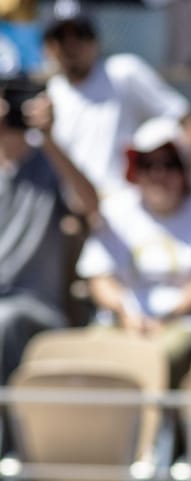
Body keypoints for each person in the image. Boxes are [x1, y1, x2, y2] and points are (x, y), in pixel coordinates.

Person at [75, 116, 191, 387]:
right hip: (118, 320)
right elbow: (98, 277)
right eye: (148, 165)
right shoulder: (116, 210)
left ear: (183, 169)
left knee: (153, 359)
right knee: (86, 361)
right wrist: (126, 313)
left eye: (169, 164)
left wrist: (167, 317)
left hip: (183, 323)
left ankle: (157, 429)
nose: (159, 175)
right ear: (137, 171)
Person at [42, 0, 191, 197]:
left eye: (80, 34)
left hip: (125, 206)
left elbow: (189, 124)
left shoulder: (122, 72)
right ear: (48, 46)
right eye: (61, 37)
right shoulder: (47, 97)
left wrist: (178, 179)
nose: (71, 45)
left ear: (95, 40)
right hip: (74, 209)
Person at [0, 74, 98, 383]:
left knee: (4, 320)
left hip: (35, 307)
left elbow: (90, 206)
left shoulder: (48, 164)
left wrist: (50, 138)